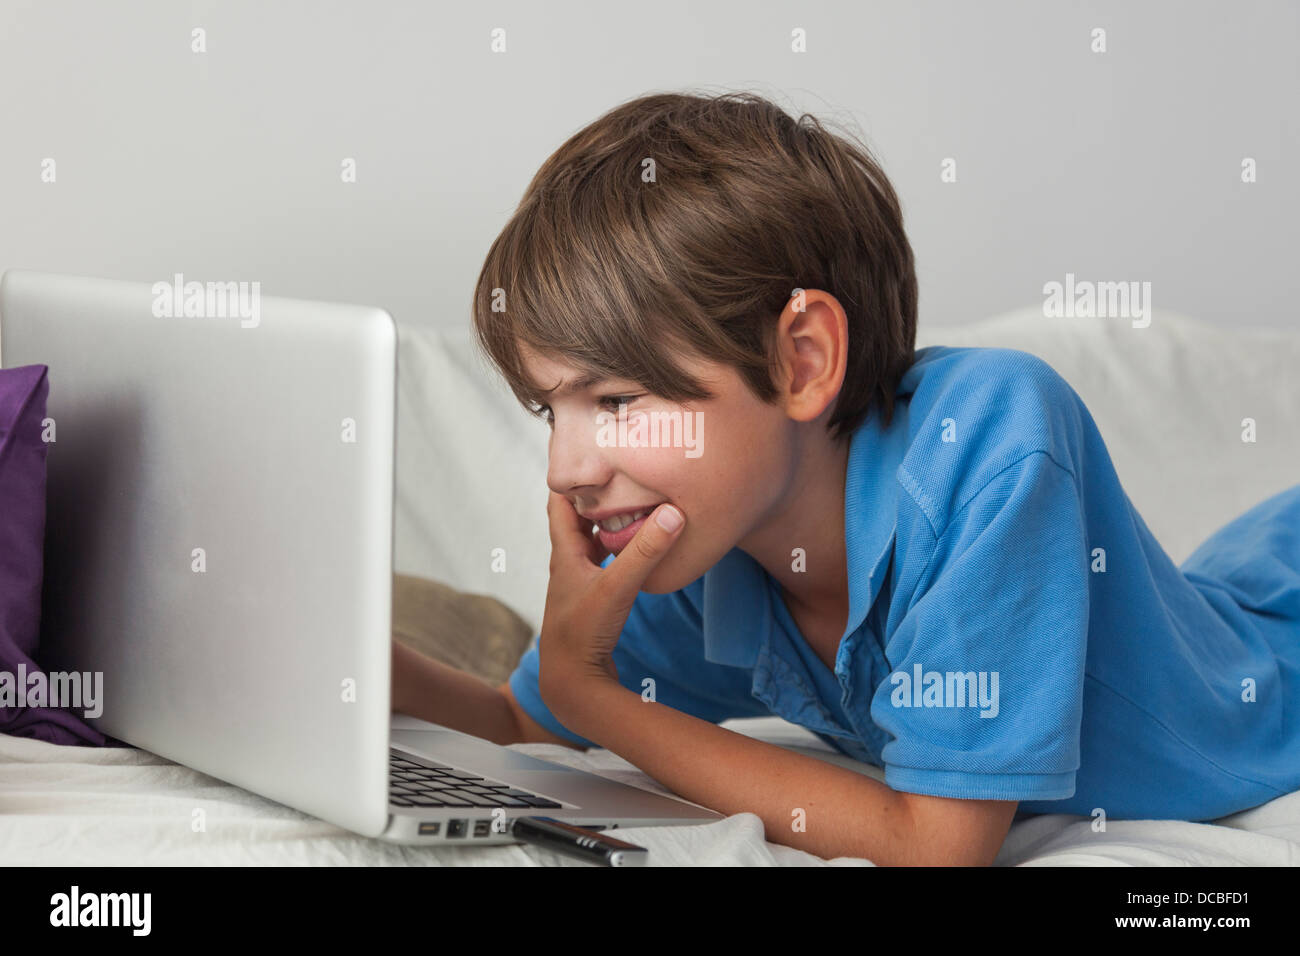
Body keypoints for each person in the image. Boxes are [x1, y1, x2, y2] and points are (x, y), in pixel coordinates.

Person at [394, 90, 1300, 865]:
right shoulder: (705, 546)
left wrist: (591, 690)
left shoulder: (990, 437)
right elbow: (525, 727)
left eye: (622, 399)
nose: (568, 470)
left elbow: (935, 846)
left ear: (802, 359)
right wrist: (353, 667)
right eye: (554, 412)